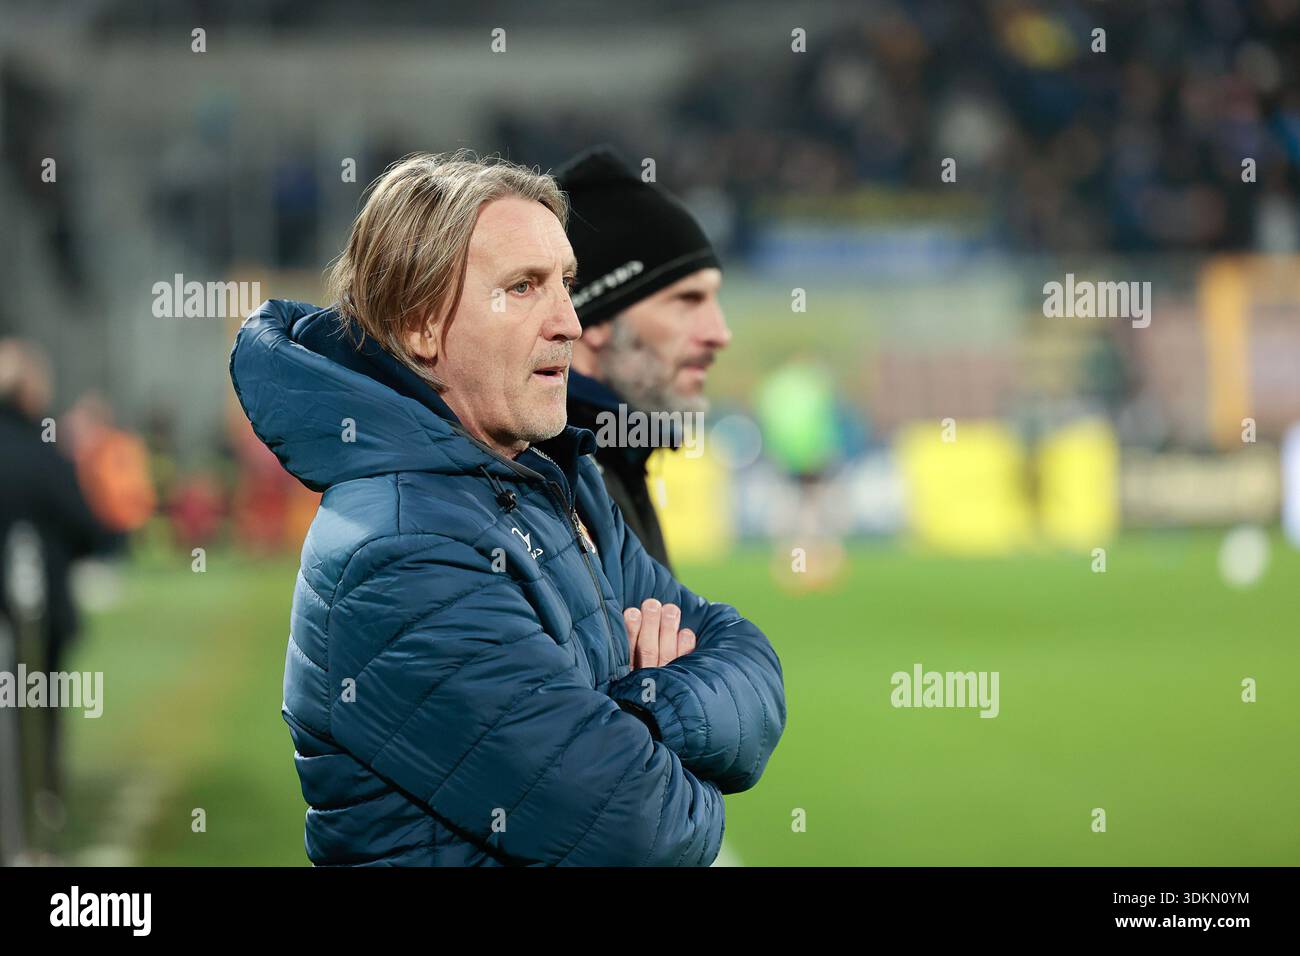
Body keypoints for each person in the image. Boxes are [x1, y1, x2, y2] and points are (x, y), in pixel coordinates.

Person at [228, 151, 785, 867]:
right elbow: (639, 832)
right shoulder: (395, 555)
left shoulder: (559, 481)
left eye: (567, 285)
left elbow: (753, 667)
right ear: (421, 325)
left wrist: (632, 717)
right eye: (523, 287)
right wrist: (665, 719)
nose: (569, 323)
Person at [556, 146, 732, 573]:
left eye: (713, 298)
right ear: (594, 320)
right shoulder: (546, 481)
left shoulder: (619, 452)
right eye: (687, 300)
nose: (720, 334)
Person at [0, 340, 121, 861]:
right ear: (29, 393)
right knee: (38, 708)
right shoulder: (41, 451)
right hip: (35, 615)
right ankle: (40, 800)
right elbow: (84, 525)